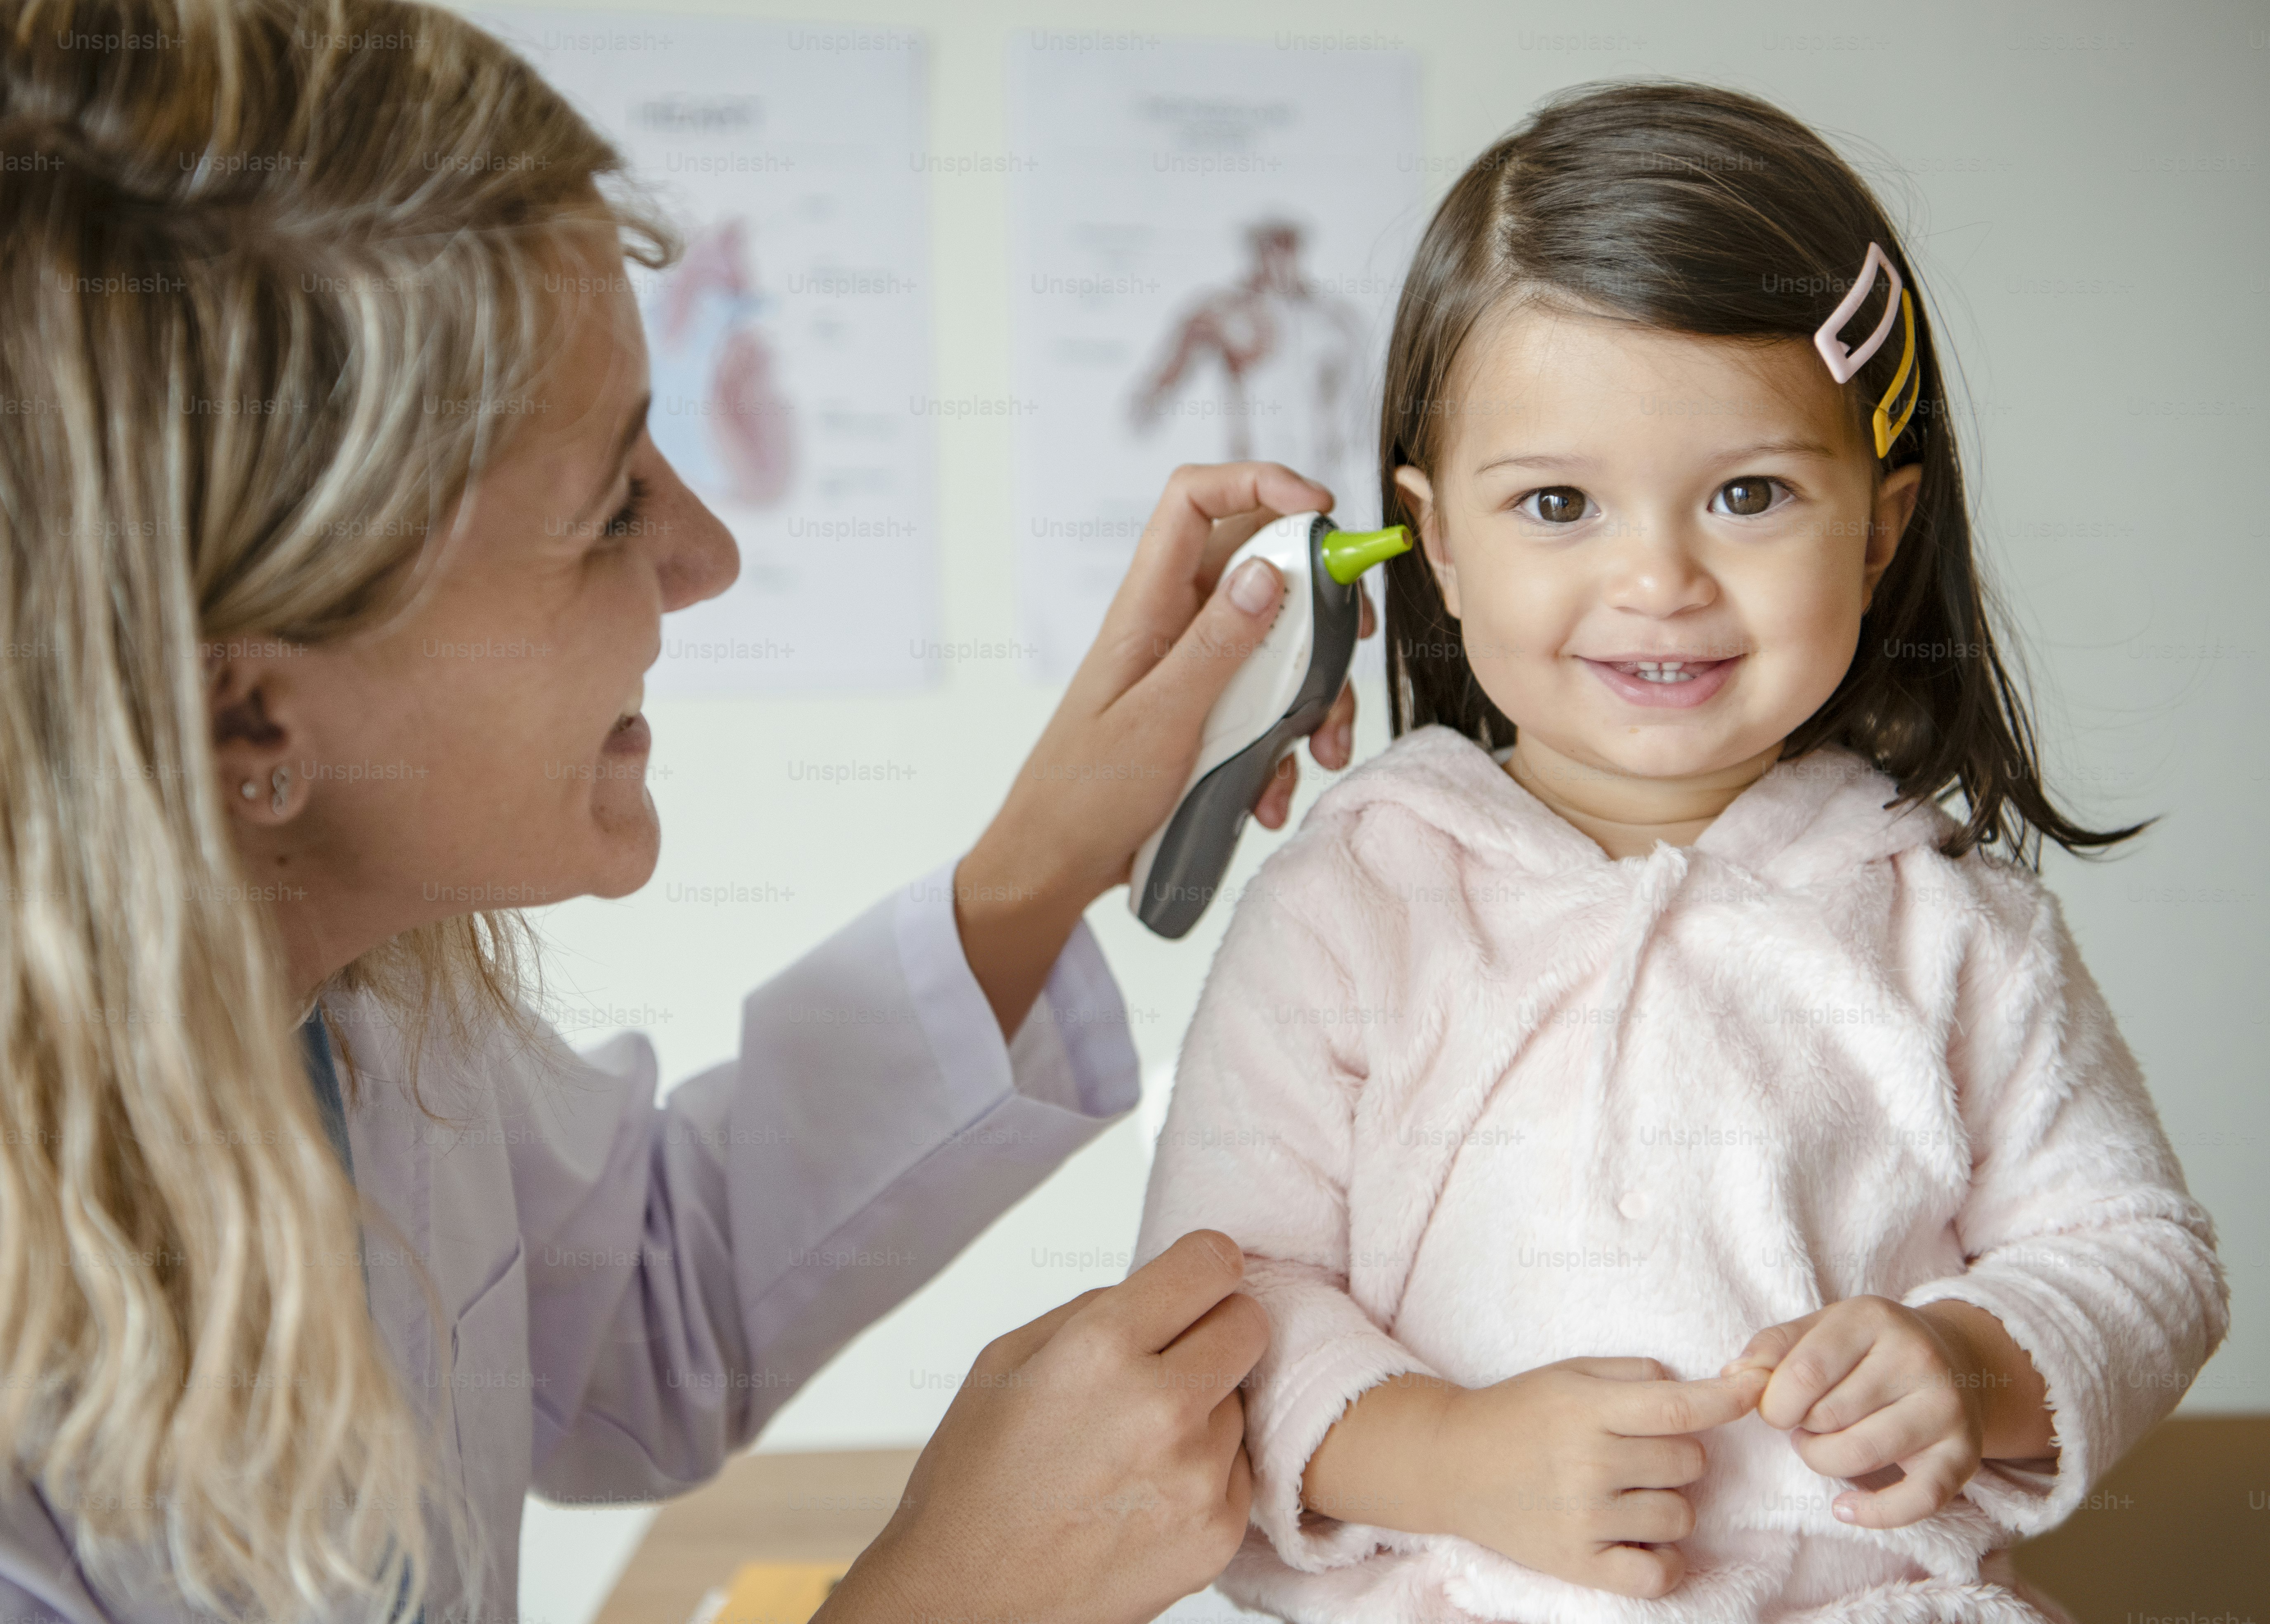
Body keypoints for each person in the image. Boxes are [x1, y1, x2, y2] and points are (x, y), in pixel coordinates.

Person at [0, 1, 1379, 1619]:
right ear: (247, 709)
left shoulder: (359, 1024)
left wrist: (1045, 857)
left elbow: (645, 1313)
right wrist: (937, 1594)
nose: (707, 559)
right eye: (607, 512)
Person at [1134, 82, 2229, 1624]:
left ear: (1878, 525)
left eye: (1749, 493)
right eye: (1559, 503)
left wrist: (1976, 1367)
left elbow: (2141, 1257)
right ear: (1436, 539)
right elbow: (1227, 1299)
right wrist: (1447, 1454)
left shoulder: (1947, 918)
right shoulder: (1355, 903)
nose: (1657, 578)